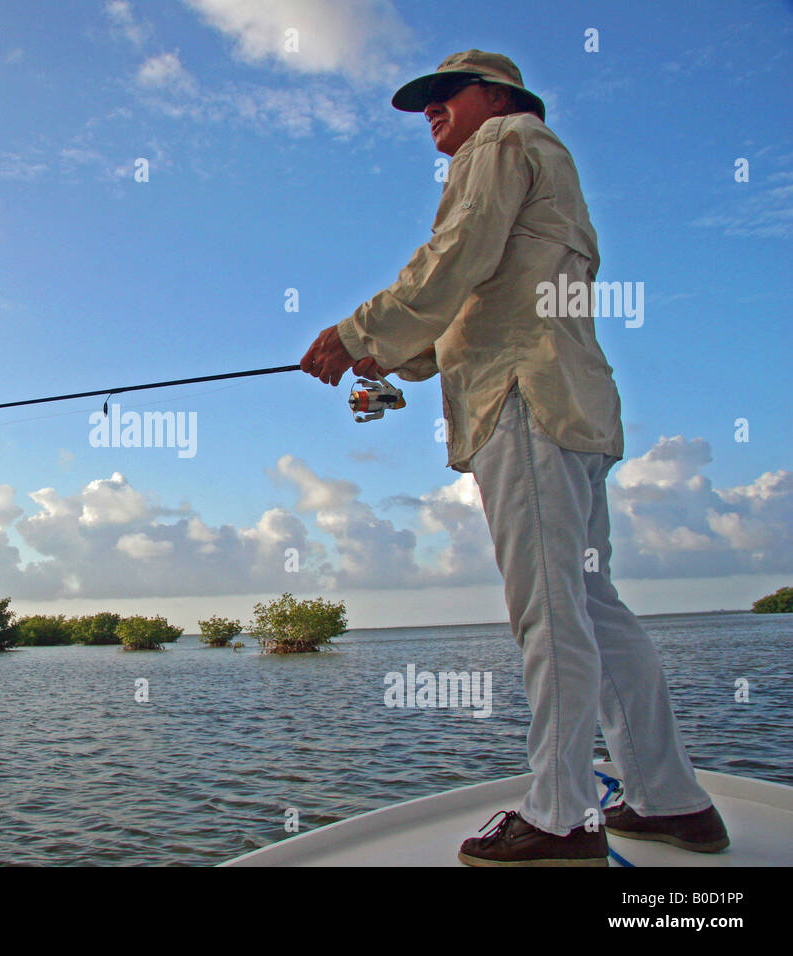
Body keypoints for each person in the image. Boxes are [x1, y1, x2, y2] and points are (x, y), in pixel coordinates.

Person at [300, 50, 728, 866]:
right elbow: (480, 296)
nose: (429, 109)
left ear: (495, 95)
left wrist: (356, 334)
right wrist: (393, 356)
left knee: (550, 609)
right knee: (592, 601)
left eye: (442, 94)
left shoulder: (496, 144)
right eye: (423, 100)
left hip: (523, 402)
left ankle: (560, 818)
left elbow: (457, 254)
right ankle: (672, 802)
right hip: (569, 401)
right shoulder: (543, 158)